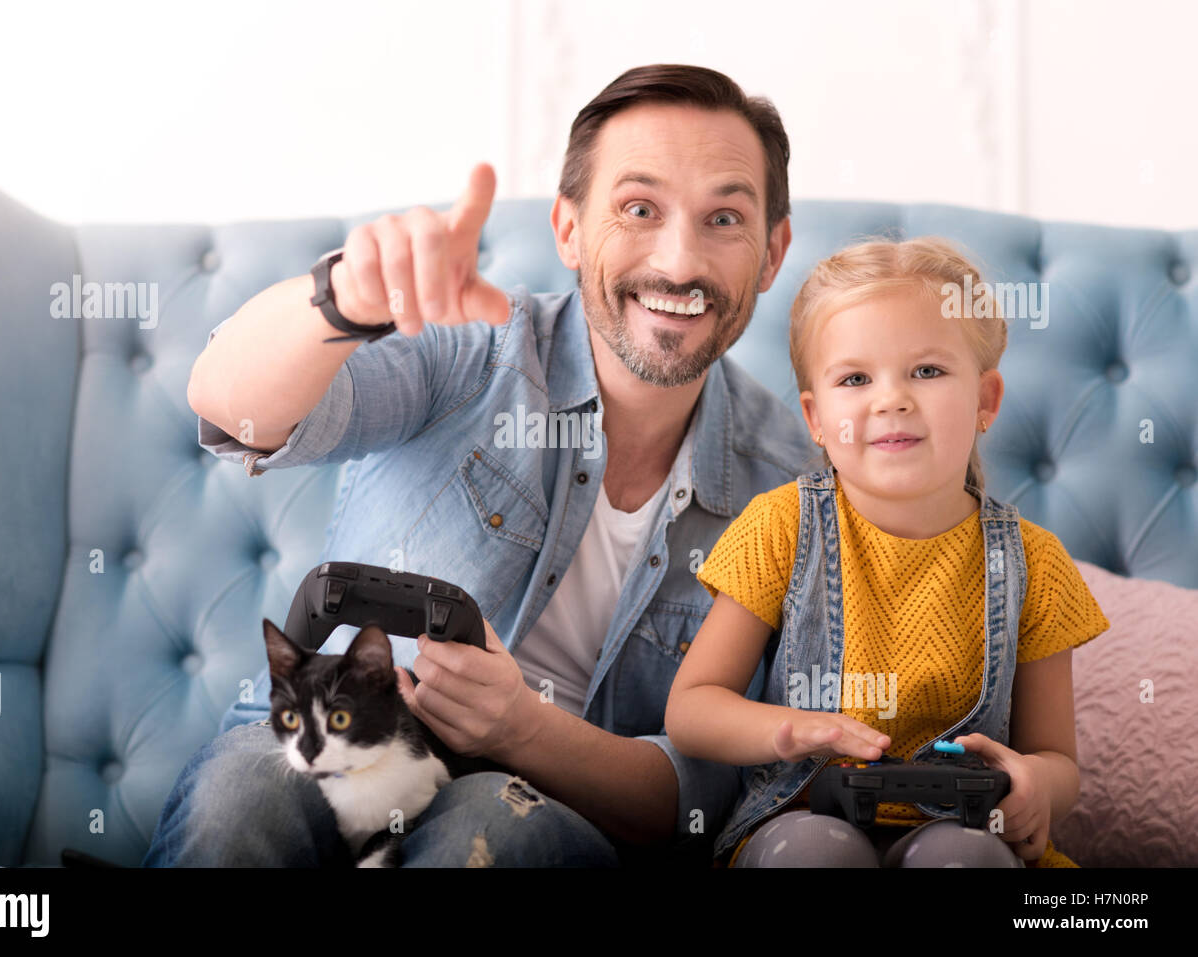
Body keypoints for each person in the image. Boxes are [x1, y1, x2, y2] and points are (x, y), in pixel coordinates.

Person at [143, 63, 815, 867]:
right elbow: (229, 405)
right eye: (639, 209)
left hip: (553, 822)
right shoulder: (472, 350)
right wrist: (345, 300)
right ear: (568, 229)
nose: (678, 263)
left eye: (724, 219)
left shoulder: (795, 489)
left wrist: (524, 730)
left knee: (491, 825)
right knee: (242, 794)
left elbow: (703, 801)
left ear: (772, 253)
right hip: (331, 754)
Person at [665, 237, 1111, 868]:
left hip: (964, 830)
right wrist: (789, 730)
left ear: (986, 401)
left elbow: (1057, 761)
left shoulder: (1033, 563)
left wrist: (1036, 786)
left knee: (964, 858)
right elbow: (691, 708)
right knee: (815, 853)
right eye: (855, 378)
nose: (892, 398)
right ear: (817, 420)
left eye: (927, 371)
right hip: (804, 817)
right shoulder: (780, 527)